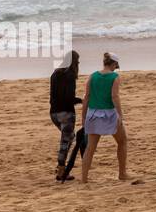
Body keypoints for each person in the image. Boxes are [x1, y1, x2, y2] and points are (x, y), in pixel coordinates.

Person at [79, 52, 128, 184]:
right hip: (108, 114)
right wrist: (120, 114)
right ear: (113, 64)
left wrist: (83, 116)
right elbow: (114, 97)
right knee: (122, 141)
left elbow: (87, 97)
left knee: (90, 148)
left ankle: (84, 178)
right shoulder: (114, 77)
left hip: (93, 114)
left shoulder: (93, 76)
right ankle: (122, 173)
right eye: (116, 65)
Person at [49, 51, 81, 180]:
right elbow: (68, 98)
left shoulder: (55, 73)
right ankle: (61, 170)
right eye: (77, 61)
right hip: (66, 113)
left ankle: (61, 168)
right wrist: (81, 101)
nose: (79, 63)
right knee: (64, 142)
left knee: (70, 137)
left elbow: (53, 95)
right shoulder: (70, 76)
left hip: (54, 113)